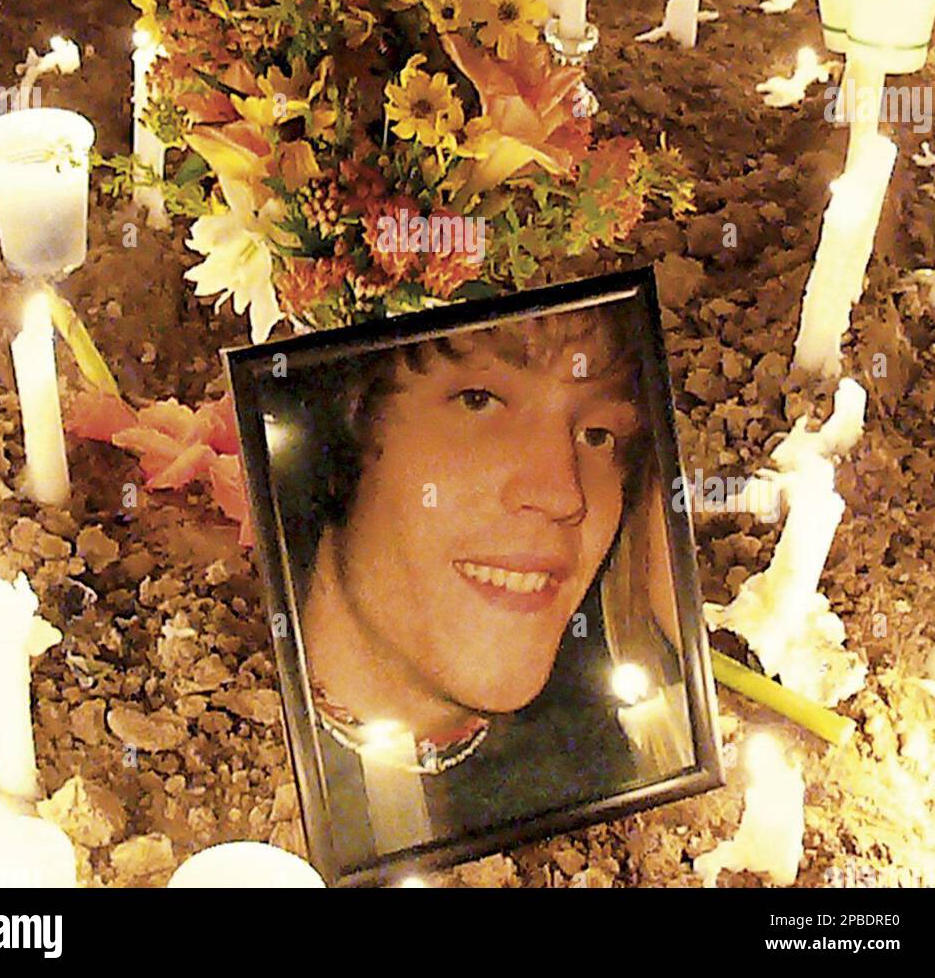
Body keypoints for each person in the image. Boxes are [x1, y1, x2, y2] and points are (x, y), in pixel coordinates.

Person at [268, 302, 692, 875]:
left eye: (598, 435)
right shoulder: (242, 774)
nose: (564, 495)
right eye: (478, 401)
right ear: (343, 422)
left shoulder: (613, 782)